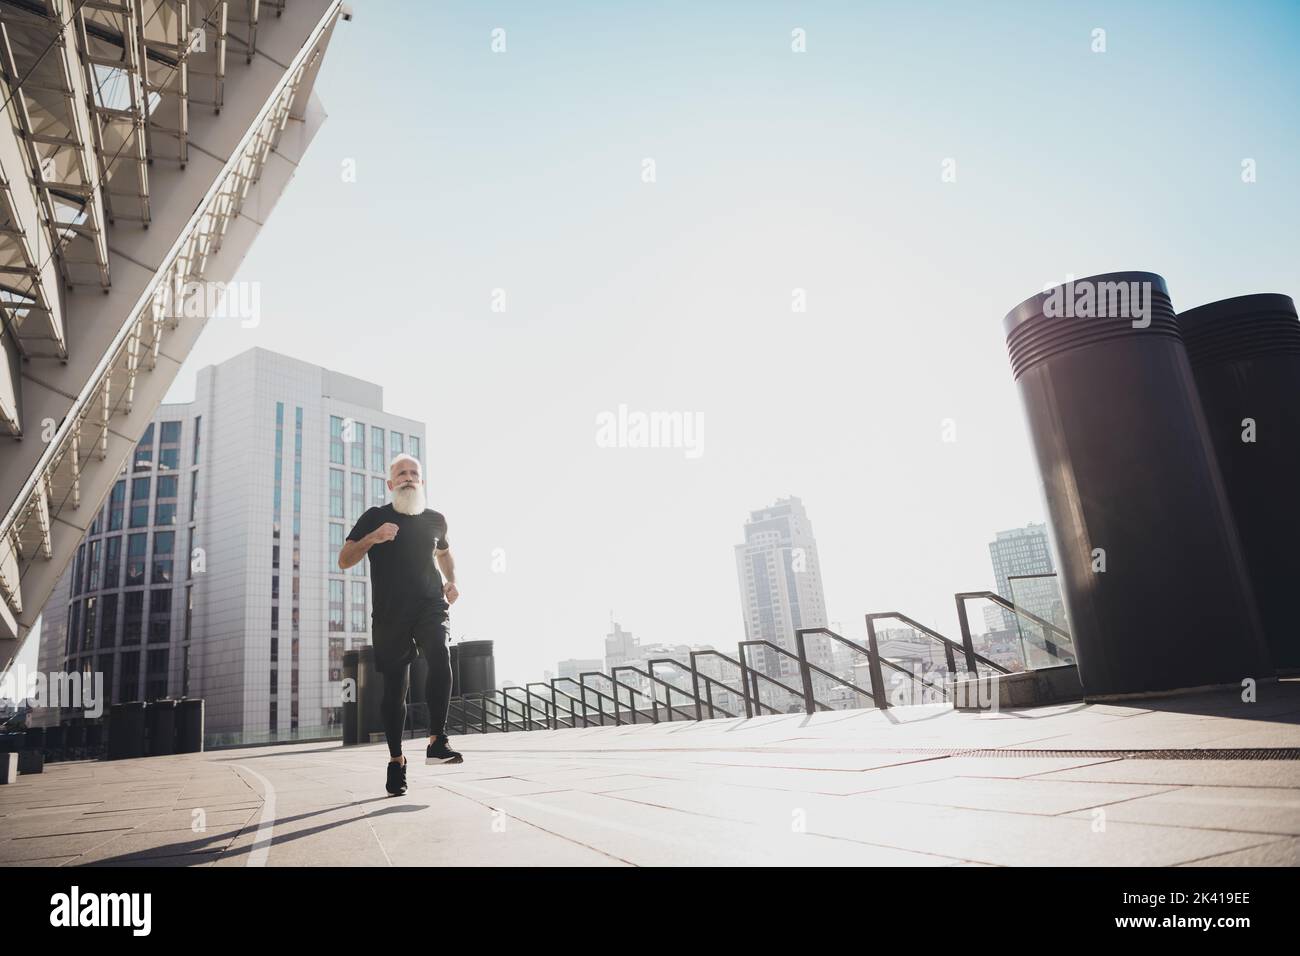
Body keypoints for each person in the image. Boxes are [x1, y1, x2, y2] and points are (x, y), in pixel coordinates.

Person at [337, 453, 462, 796]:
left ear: (421, 481)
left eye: (414, 473)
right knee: (396, 690)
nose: (408, 478)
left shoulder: (436, 519)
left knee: (440, 653)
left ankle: (437, 741)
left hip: (429, 604)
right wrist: (373, 538)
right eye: (401, 474)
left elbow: (444, 553)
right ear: (390, 484)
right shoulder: (375, 518)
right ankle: (396, 761)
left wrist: (451, 580)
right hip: (391, 613)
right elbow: (344, 560)